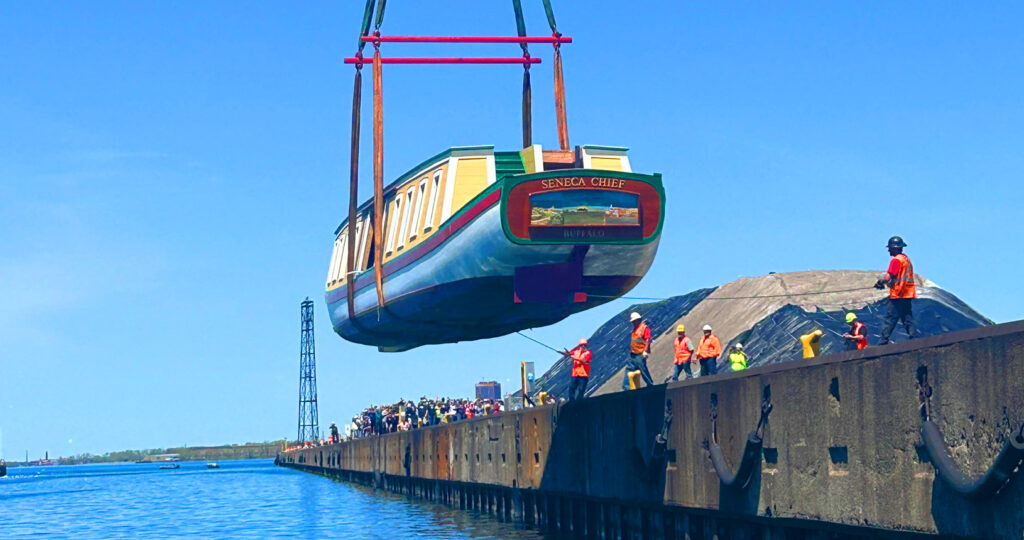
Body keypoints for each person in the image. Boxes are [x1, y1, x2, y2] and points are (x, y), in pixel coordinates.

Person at [875, 236, 918, 344]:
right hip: (907, 293)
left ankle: (883, 341)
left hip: (898, 294)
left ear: (894, 248)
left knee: (890, 318)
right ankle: (914, 337)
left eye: (889, 248)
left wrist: (880, 282)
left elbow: (889, 276)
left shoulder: (896, 260)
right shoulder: (906, 259)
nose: (889, 250)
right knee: (907, 317)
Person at [622, 312, 655, 390]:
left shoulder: (644, 328)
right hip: (633, 354)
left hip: (640, 354)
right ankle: (626, 387)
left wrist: (645, 351)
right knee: (629, 369)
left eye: (634, 321)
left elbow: (647, 340)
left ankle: (650, 384)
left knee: (643, 369)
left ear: (638, 320)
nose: (633, 323)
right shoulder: (635, 329)